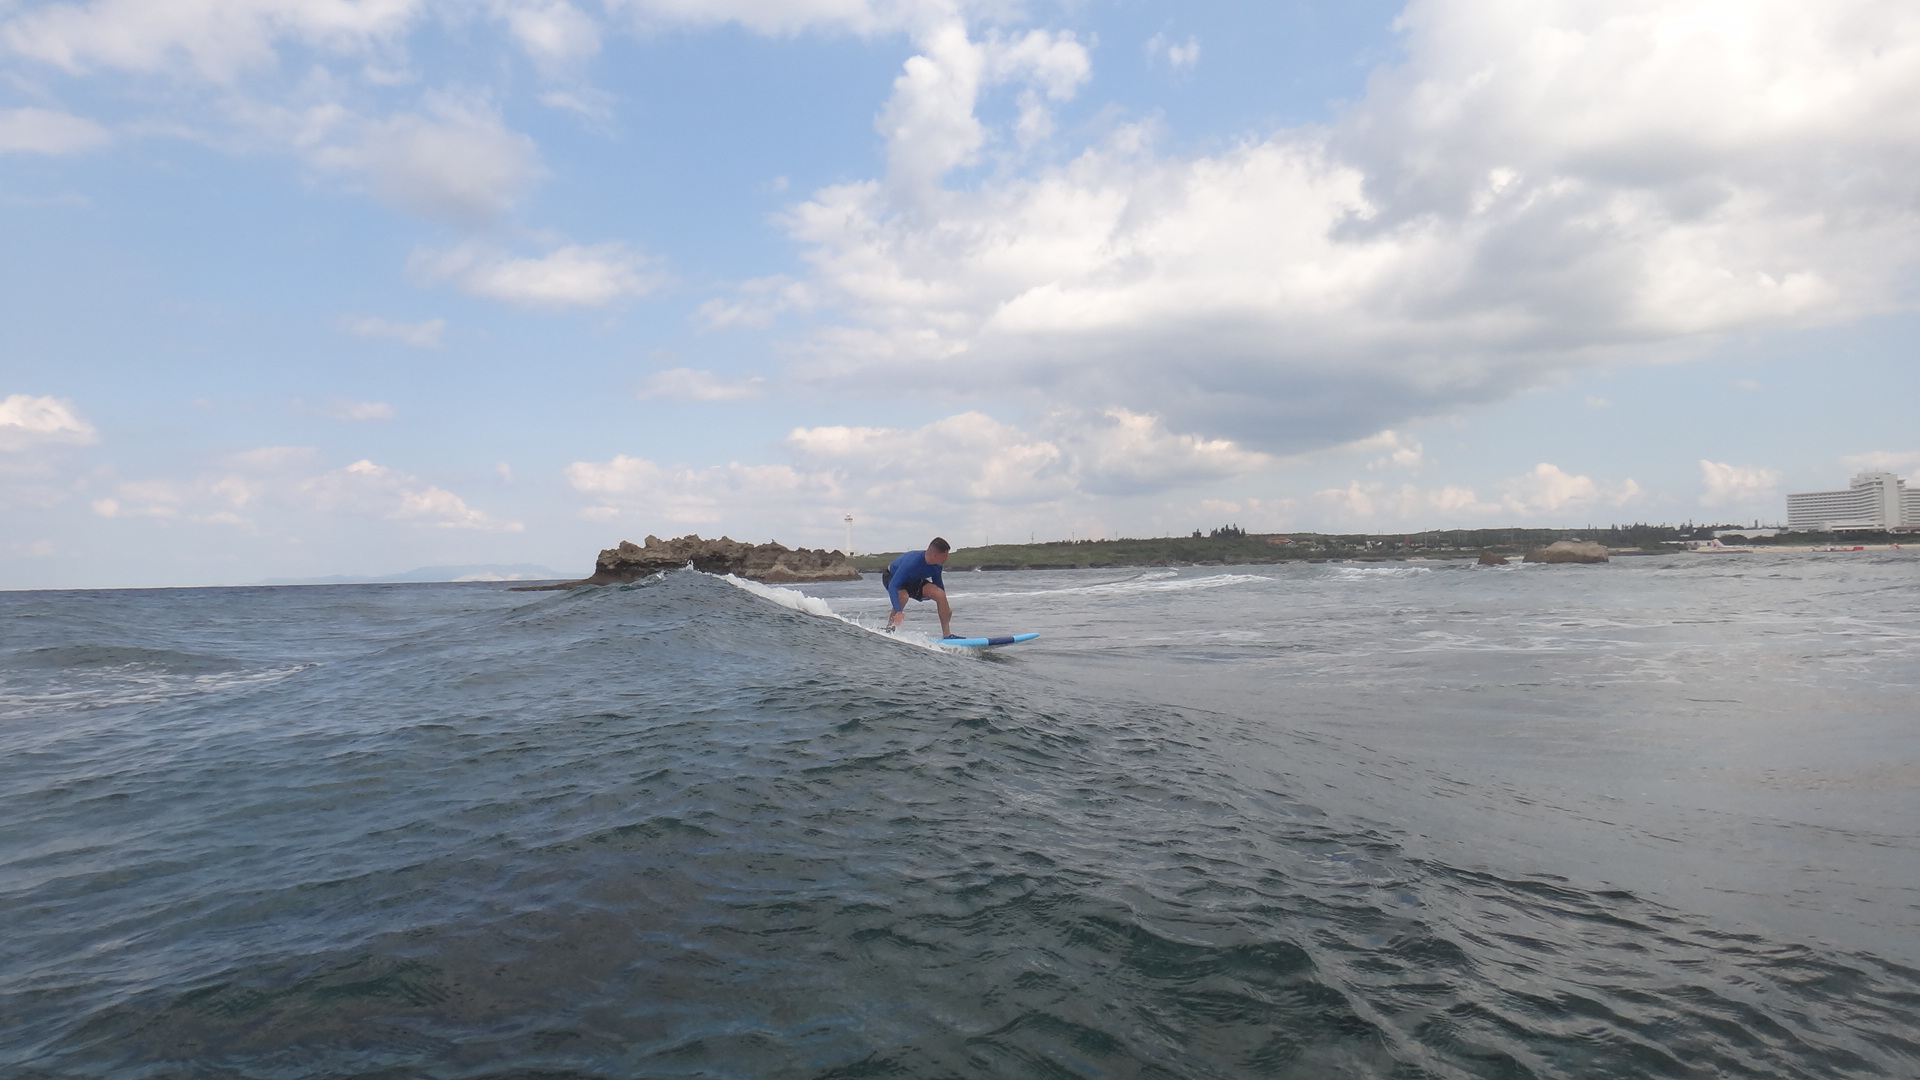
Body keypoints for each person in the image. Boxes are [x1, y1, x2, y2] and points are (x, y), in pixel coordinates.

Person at [884, 537, 956, 637]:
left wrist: (946, 606)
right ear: (935, 555)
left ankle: (947, 635)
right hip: (892, 577)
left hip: (914, 580)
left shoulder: (937, 565)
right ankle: (890, 628)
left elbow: (938, 585)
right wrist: (899, 611)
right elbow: (893, 586)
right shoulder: (912, 562)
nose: (946, 559)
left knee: (939, 594)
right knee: (903, 596)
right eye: (945, 556)